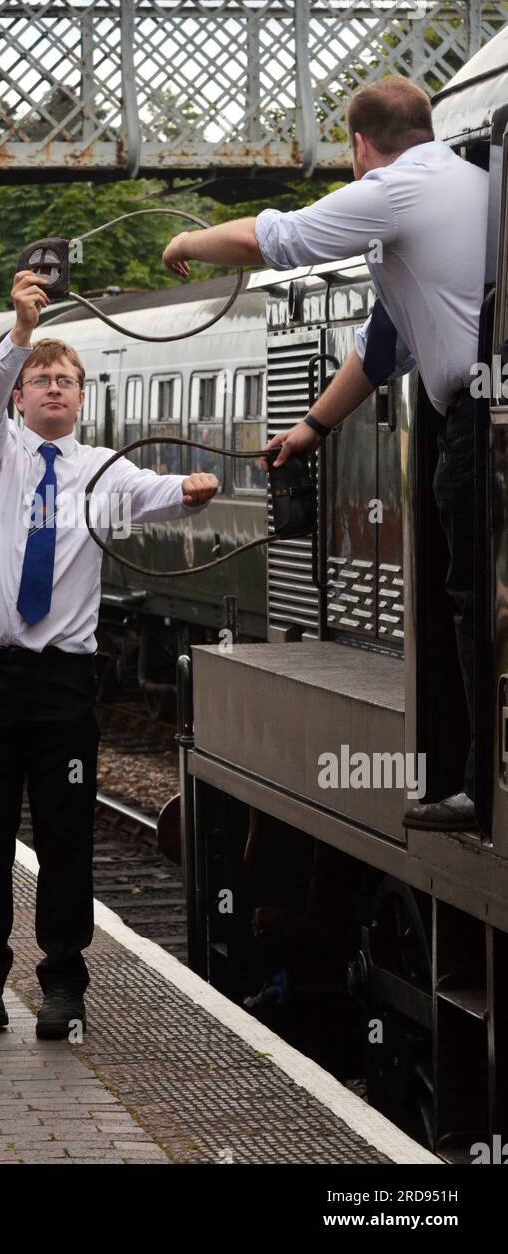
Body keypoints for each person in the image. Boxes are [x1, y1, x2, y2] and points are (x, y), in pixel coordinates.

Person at [161, 74, 488, 835]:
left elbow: (272, 239)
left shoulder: (396, 190)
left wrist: (186, 243)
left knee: (473, 600)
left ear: (359, 145)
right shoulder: (472, 188)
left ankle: (481, 786)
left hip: (477, 425)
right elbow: (384, 343)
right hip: (483, 410)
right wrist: (313, 425)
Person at [0, 268, 218, 1038]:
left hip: (61, 683)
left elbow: (157, 494)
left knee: (66, 833)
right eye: (40, 380)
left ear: (81, 397)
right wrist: (20, 332)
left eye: (66, 380)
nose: (54, 390)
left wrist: (192, 489)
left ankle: (63, 985)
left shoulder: (102, 470)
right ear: (20, 396)